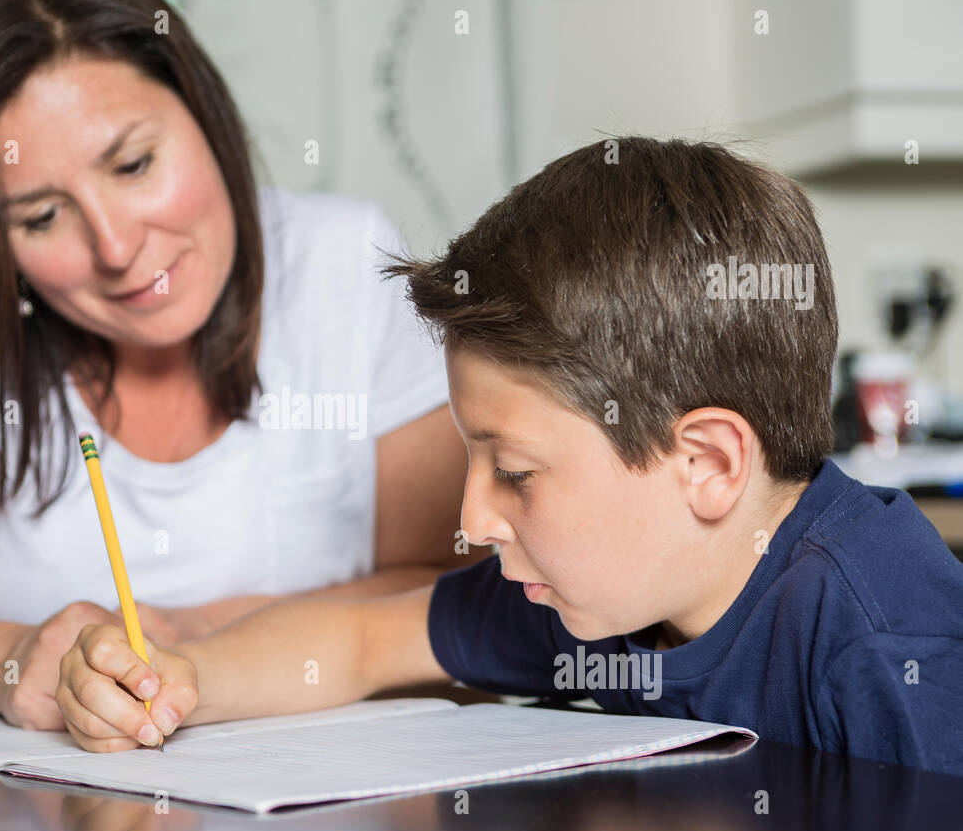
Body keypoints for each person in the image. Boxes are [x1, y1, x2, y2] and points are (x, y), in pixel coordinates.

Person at [61, 137, 963, 777]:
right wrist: (183, 680)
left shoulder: (887, 641)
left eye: (516, 473)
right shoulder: (602, 586)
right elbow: (363, 641)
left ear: (709, 465)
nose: (473, 519)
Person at [0, 0, 472, 729]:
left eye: (134, 166)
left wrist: (191, 634)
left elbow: (454, 588)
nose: (118, 249)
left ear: (203, 109)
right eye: (43, 216)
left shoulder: (346, 264)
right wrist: (13, 661)